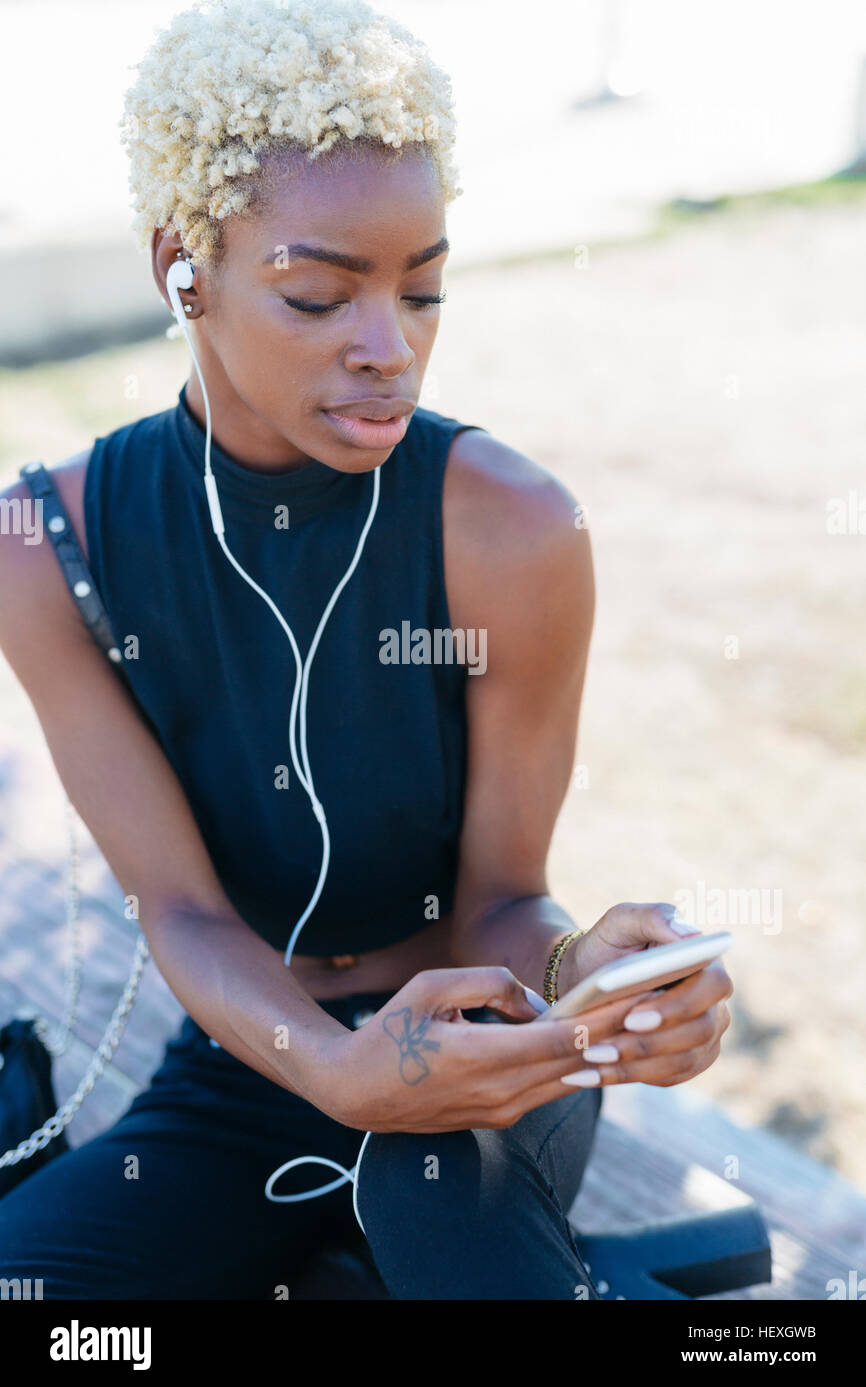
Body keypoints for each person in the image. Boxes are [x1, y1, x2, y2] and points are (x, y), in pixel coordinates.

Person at [0, 0, 731, 1300]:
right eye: (318, 296)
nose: (391, 348)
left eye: (423, 289)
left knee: (430, 1201)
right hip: (256, 1057)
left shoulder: (513, 529)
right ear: (183, 270)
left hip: (484, 1046)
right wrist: (334, 1068)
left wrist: (591, 975)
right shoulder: (45, 550)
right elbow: (181, 912)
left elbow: (504, 901)